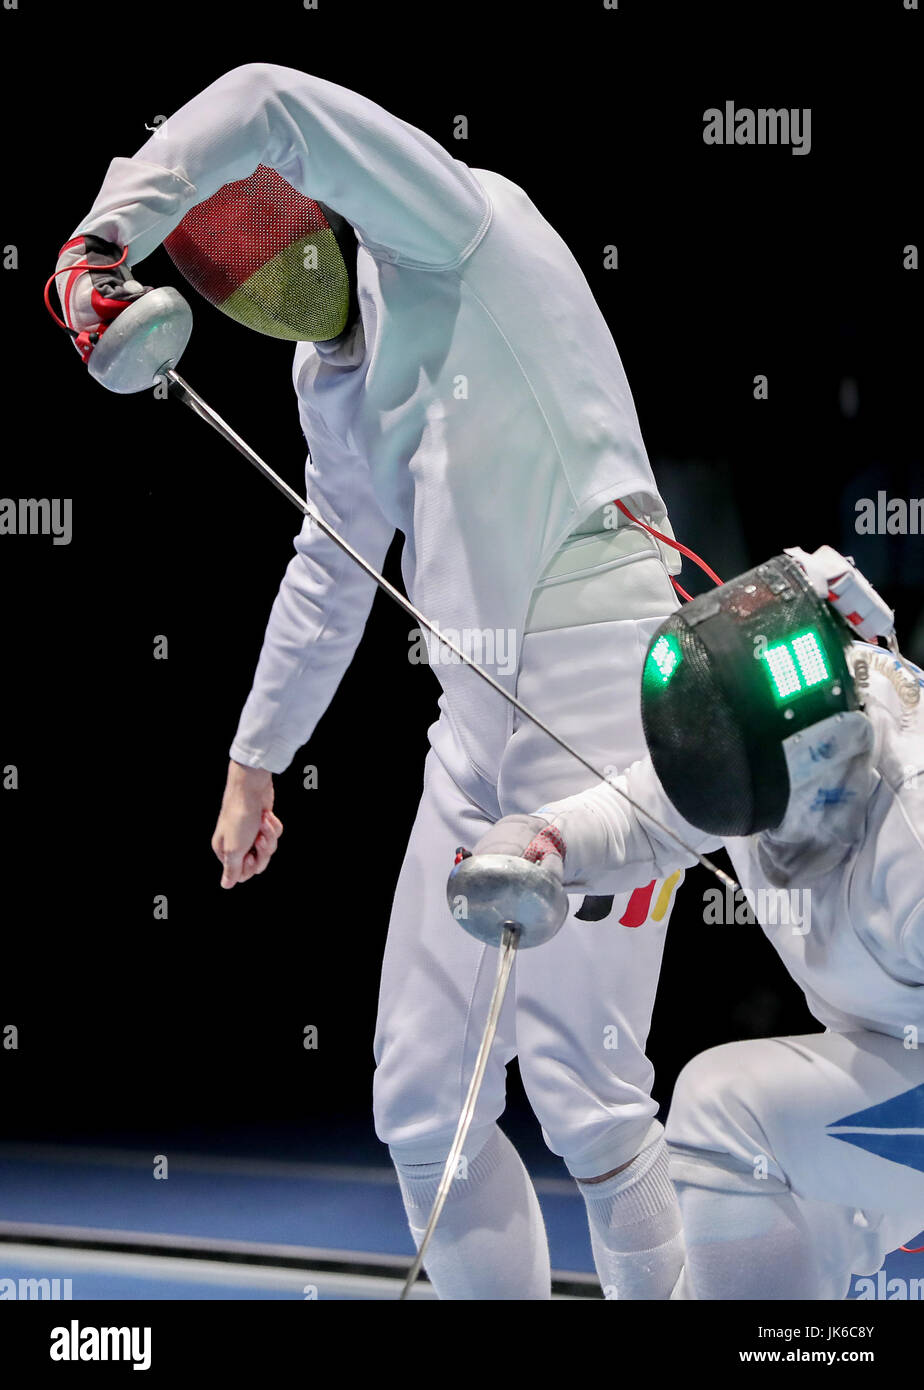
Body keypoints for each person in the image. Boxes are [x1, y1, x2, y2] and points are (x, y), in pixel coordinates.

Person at [55, 63, 690, 1298]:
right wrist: (254, 758)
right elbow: (331, 568)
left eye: (257, 226)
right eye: (216, 270)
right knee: (419, 1100)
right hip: (472, 725)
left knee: (590, 1097)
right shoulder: (324, 381)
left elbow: (262, 93)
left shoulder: (453, 226)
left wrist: (101, 238)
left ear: (311, 196)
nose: (250, 271)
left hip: (606, 683)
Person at [473, 546, 924, 1298]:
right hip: (886, 1060)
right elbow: (641, 816)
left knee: (729, 1109)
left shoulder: (913, 835)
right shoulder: (762, 729)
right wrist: (543, 839)